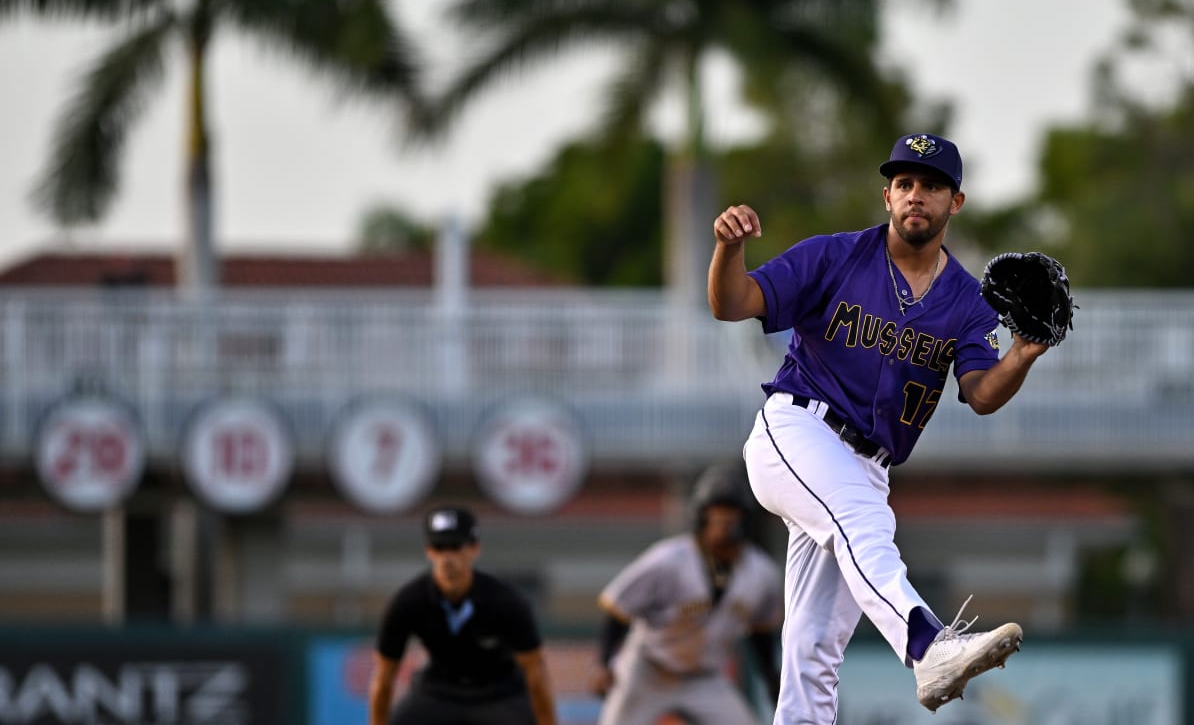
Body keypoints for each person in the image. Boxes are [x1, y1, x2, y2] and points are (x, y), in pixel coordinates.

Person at [707, 133, 1049, 722]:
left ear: (955, 202)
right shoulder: (835, 256)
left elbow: (981, 394)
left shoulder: (967, 301)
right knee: (864, 526)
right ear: (887, 195)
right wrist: (727, 250)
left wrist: (1022, 355)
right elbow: (733, 302)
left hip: (867, 466)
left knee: (813, 649)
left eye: (932, 186)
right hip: (795, 432)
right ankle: (928, 646)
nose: (917, 195)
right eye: (905, 184)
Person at [590, 465, 783, 724]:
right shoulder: (668, 560)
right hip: (648, 671)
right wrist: (604, 663)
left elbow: (760, 631)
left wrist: (770, 676)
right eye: (717, 513)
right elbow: (618, 607)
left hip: (706, 678)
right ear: (701, 517)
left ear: (745, 519)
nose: (725, 522)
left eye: (731, 513)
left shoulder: (761, 572)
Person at [369, 505, 559, 725]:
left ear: (474, 549)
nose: (447, 558)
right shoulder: (408, 602)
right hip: (438, 691)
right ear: (429, 551)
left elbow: (536, 672)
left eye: (456, 546)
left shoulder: (505, 601)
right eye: (439, 547)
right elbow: (384, 676)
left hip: (499, 693)